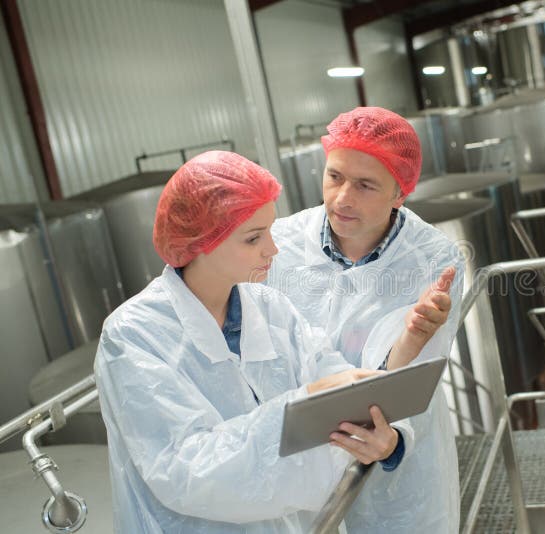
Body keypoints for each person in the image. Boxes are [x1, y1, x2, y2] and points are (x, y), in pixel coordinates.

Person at [94, 150, 451, 533]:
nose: (273, 249)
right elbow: (187, 472)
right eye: (254, 238)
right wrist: (308, 401)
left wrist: (388, 439)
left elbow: (340, 380)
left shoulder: (269, 308)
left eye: (269, 230)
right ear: (200, 242)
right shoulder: (133, 336)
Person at [268, 106, 465, 533]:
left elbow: (416, 378)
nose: (342, 198)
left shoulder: (434, 259)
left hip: (399, 469)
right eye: (335, 176)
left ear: (399, 194)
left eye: (365, 185)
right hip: (306, 463)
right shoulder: (279, 246)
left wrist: (394, 441)